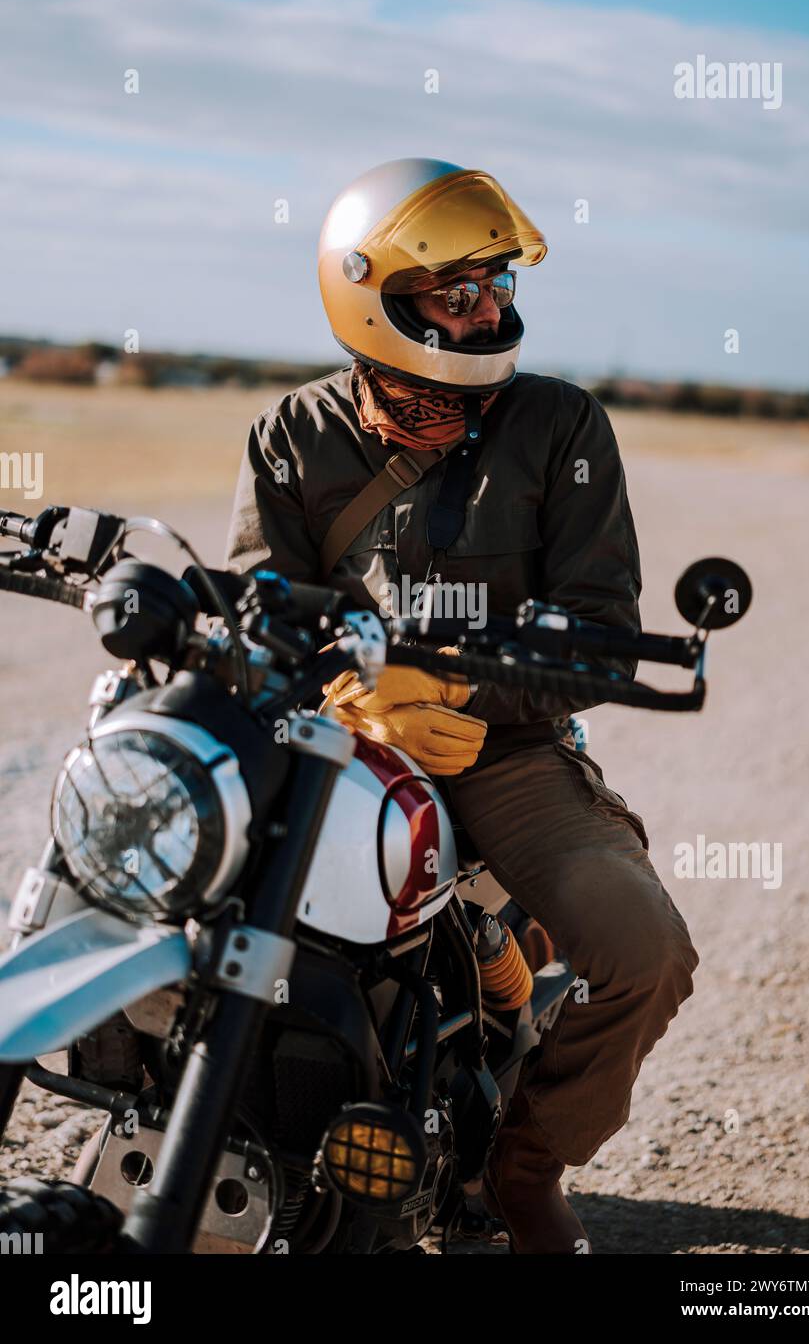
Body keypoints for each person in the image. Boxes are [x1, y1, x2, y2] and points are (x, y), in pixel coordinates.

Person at [224, 157, 699, 1254]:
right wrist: (349, 697)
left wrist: (449, 686)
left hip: (505, 750)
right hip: (335, 744)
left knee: (644, 952)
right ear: (376, 299)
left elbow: (598, 634)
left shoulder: (561, 424)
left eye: (498, 286)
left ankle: (520, 1170)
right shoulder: (290, 433)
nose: (490, 310)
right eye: (460, 292)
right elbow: (260, 616)